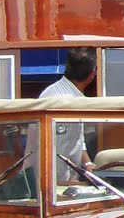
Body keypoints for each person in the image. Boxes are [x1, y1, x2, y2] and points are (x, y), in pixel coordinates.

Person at [40, 47, 97, 188]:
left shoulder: (72, 97)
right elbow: (52, 151)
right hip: (52, 185)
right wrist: (62, 183)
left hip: (66, 181)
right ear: (92, 74)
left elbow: (77, 138)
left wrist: (88, 163)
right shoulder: (62, 102)